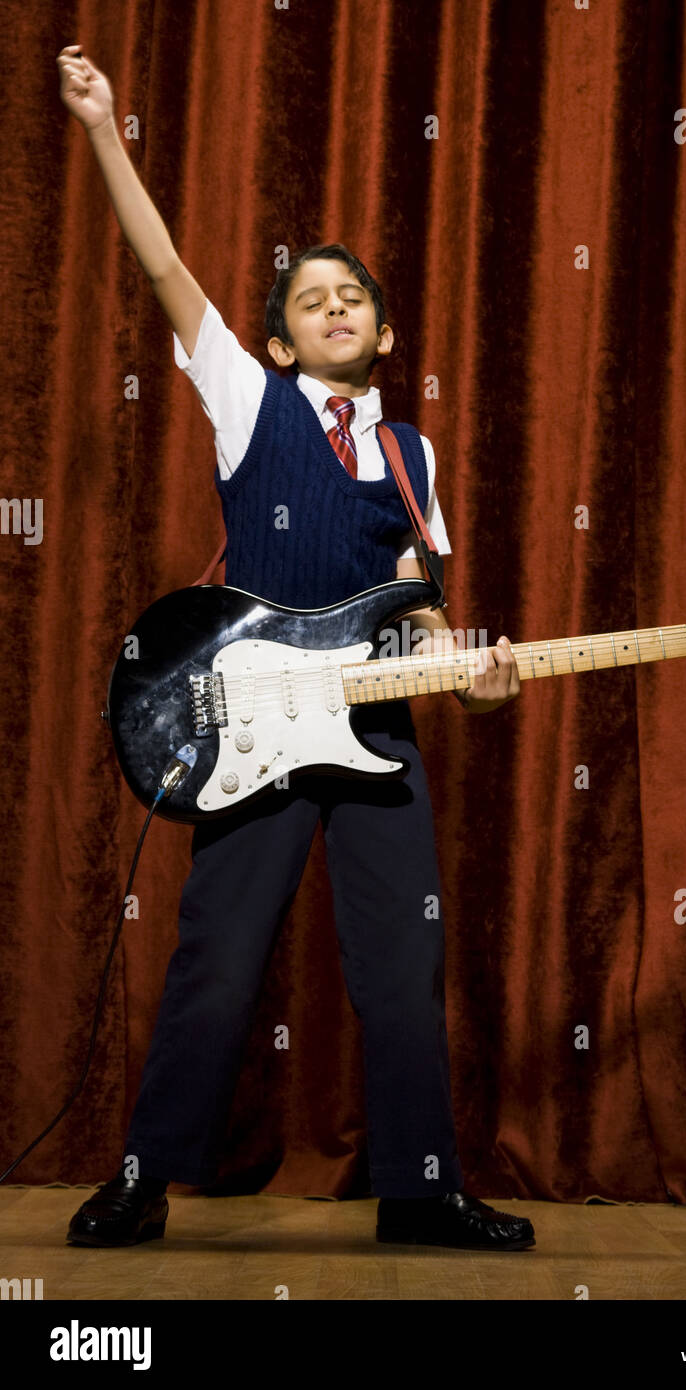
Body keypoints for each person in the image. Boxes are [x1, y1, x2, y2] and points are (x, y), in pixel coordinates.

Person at [57, 44, 534, 1253]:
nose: (334, 305)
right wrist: (107, 126)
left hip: (378, 726)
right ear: (276, 342)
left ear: (380, 332)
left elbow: (424, 613)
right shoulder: (244, 399)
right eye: (310, 297)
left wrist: (472, 679)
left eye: (353, 297)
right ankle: (143, 1178)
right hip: (257, 722)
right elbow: (161, 265)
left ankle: (420, 1194)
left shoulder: (412, 458)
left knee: (400, 971)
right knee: (216, 965)